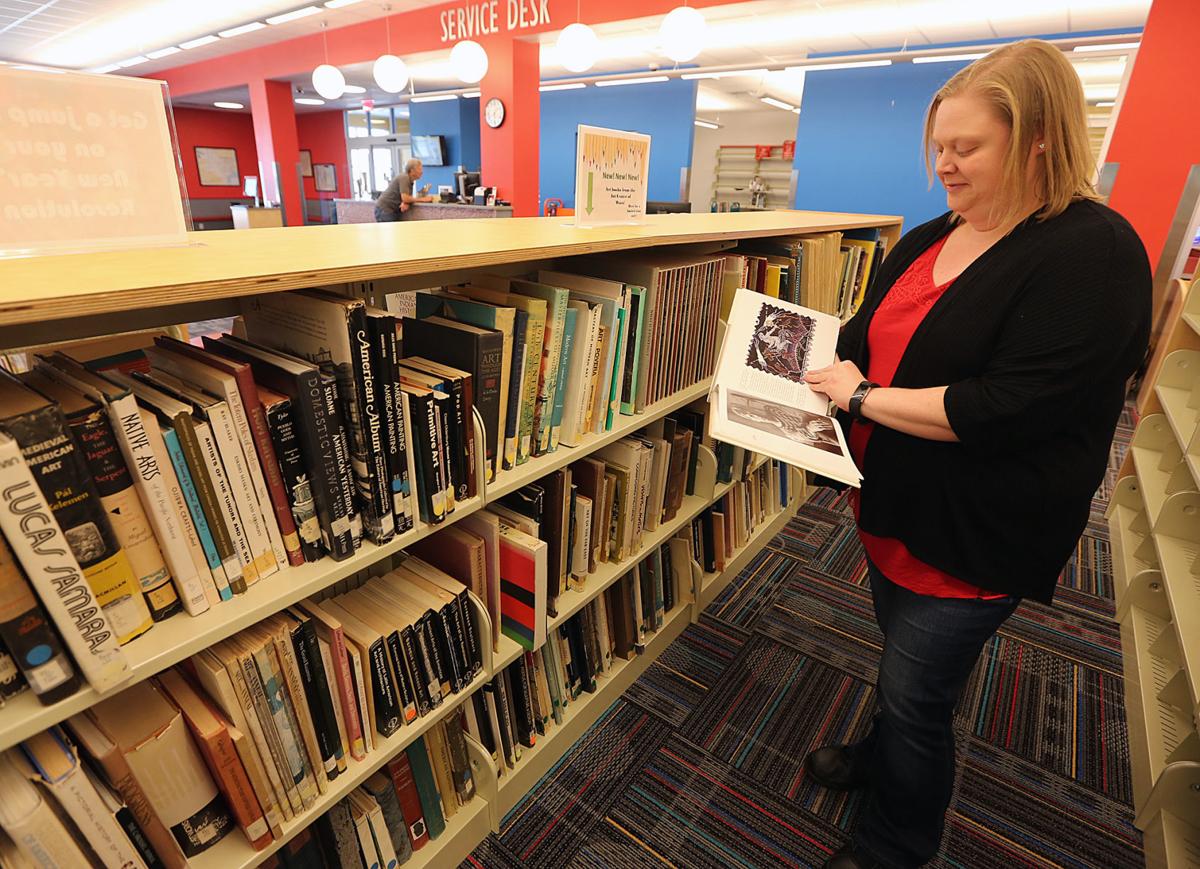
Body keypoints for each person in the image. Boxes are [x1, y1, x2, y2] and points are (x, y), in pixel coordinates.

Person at [802, 40, 1150, 869]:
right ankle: (882, 754)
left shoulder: (1091, 251)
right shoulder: (933, 233)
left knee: (920, 694)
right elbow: (859, 339)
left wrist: (858, 399)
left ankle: (899, 845)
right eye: (939, 147)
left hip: (978, 534)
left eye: (967, 148)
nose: (944, 165)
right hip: (894, 504)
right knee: (901, 666)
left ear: (1036, 139)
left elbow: (1005, 407)